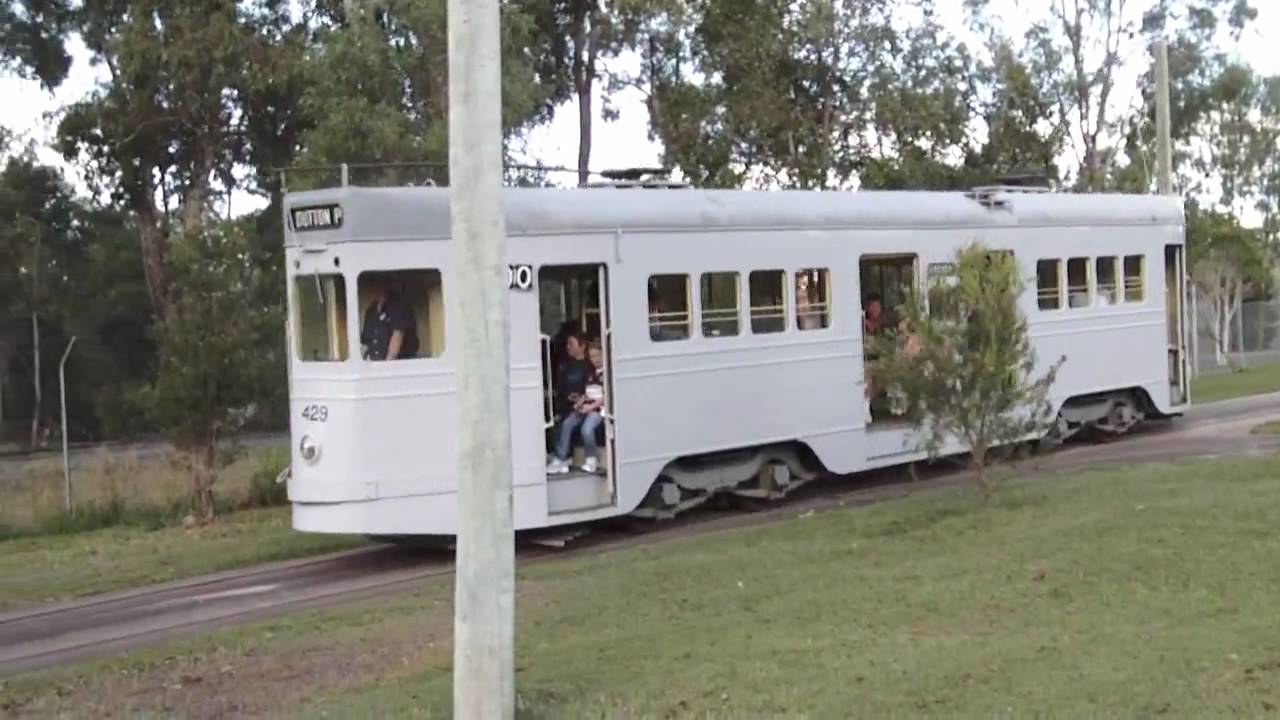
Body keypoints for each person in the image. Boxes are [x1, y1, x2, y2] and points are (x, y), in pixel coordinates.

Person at [547, 337, 604, 474]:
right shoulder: (591, 372)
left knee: (586, 428)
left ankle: (592, 459)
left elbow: (605, 396)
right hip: (587, 406)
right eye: (591, 356)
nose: (594, 359)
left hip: (600, 409)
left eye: (597, 356)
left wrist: (590, 407)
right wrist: (580, 402)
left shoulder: (607, 371)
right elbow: (588, 392)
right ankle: (560, 458)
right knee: (567, 423)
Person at [361, 275, 418, 360]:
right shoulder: (371, 310)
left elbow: (398, 336)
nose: (373, 287)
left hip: (398, 365)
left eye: (377, 283)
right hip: (376, 364)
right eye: (370, 283)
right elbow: (366, 343)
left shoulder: (399, 305)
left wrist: (387, 366)